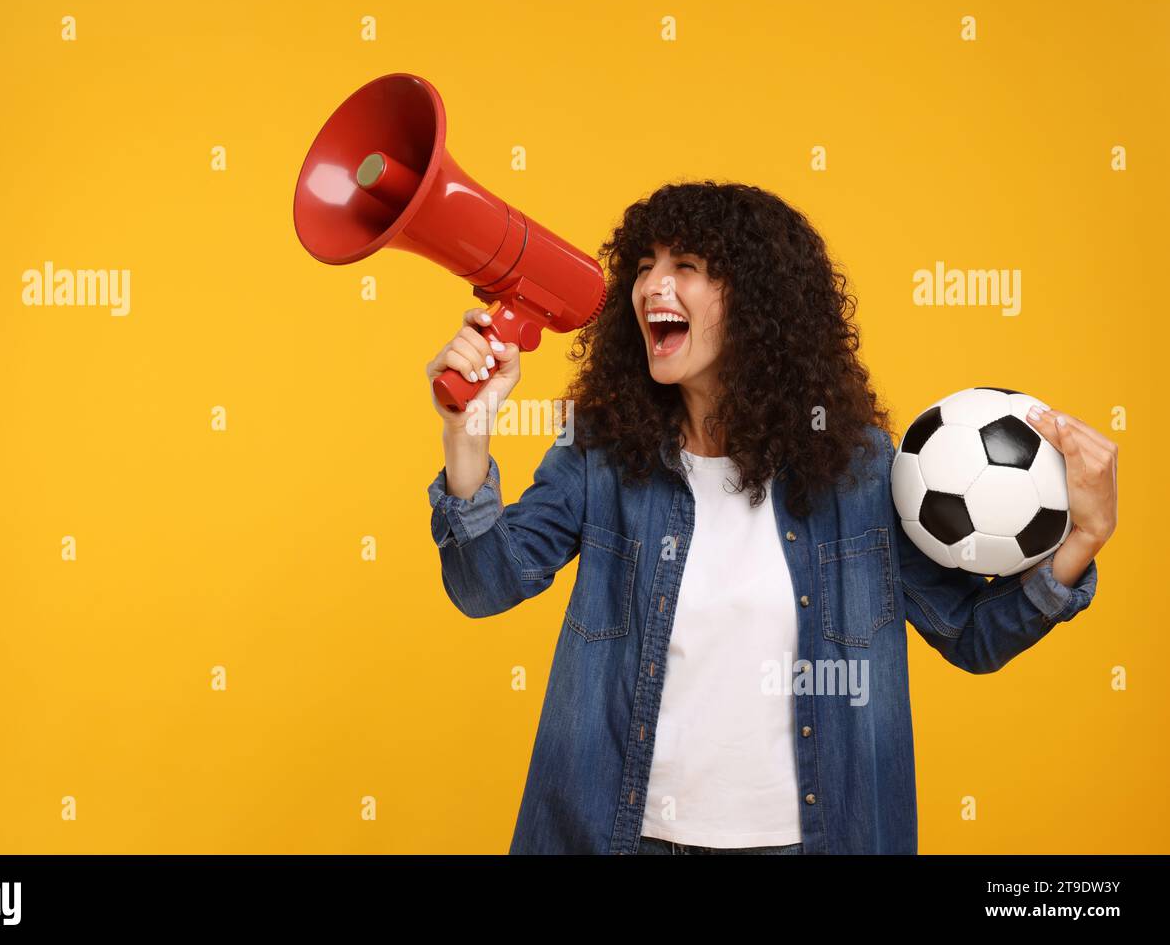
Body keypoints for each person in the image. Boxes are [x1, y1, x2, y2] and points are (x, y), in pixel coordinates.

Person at [425, 180, 1116, 855]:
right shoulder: (600, 454)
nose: (650, 287)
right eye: (643, 268)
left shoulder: (861, 471)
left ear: (758, 303)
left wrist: (1083, 536)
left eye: (686, 267)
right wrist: (467, 433)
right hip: (621, 835)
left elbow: (972, 633)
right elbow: (486, 585)